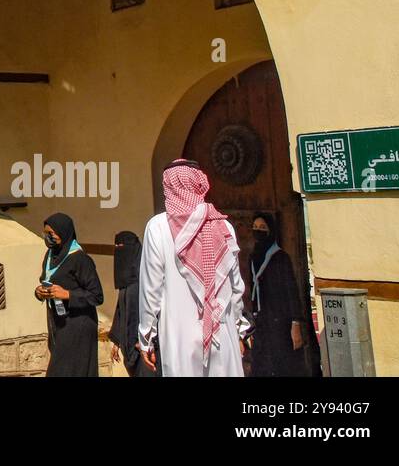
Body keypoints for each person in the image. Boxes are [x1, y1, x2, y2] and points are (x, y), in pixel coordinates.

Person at [138, 159, 250, 377]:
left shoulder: (157, 227)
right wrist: (239, 329)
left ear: (168, 186)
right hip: (222, 332)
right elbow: (236, 288)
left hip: (179, 335)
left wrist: (146, 338)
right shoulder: (223, 225)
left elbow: (151, 289)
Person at [35, 212, 103, 376]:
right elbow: (46, 278)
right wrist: (39, 292)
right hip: (59, 321)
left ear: (64, 232)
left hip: (78, 324)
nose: (48, 237)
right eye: (46, 233)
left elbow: (97, 295)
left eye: (51, 233)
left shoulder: (80, 259)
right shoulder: (51, 255)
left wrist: (68, 294)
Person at [247, 211, 309, 377]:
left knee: (283, 363)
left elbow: (291, 291)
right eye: (254, 227)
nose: (257, 230)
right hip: (261, 321)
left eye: (262, 227)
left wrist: (295, 324)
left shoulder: (281, 257)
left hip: (281, 321)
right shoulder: (253, 257)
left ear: (270, 230)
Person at [109, 230, 155, 377]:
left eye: (122, 246)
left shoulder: (146, 280)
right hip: (129, 348)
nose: (119, 250)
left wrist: (145, 340)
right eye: (117, 246)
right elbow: (120, 312)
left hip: (146, 348)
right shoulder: (125, 283)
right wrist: (117, 342)